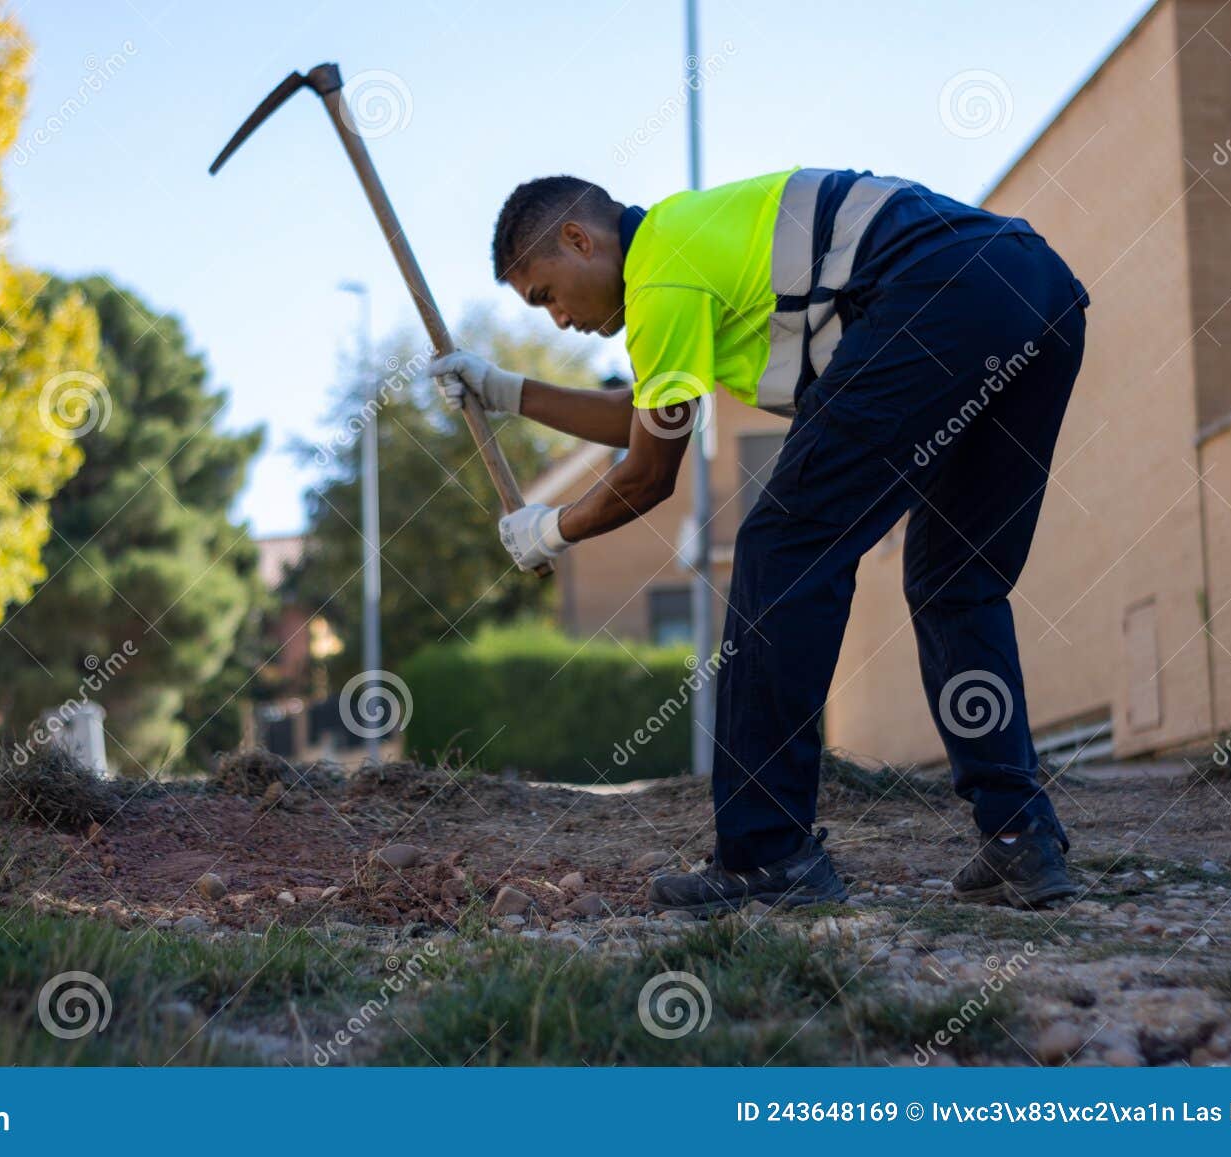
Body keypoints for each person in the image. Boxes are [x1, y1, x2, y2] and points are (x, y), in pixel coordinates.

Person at [431, 168, 1090, 913]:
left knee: (784, 545)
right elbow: (648, 416)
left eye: (545, 293)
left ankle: (767, 853)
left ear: (579, 239)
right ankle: (1018, 840)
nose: (555, 320)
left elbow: (650, 472)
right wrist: (504, 390)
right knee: (955, 580)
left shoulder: (660, 275)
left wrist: (548, 529)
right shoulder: (687, 251)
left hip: (940, 293)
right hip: (1034, 290)